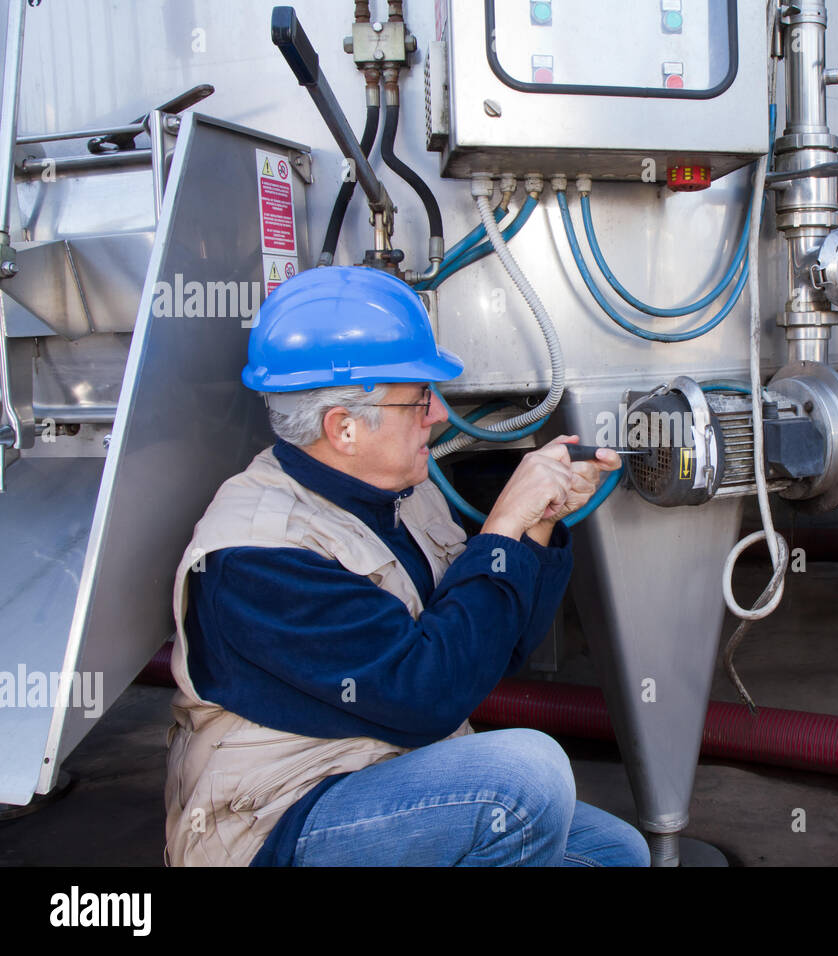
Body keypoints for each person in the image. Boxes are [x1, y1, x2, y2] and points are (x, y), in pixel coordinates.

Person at [163, 265, 649, 867]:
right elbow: (430, 691)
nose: (441, 414)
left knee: (615, 853)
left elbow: (495, 647)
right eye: (419, 399)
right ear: (342, 428)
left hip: (386, 764)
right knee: (524, 776)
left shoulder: (403, 494)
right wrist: (500, 525)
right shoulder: (257, 556)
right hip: (279, 819)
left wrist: (539, 521)